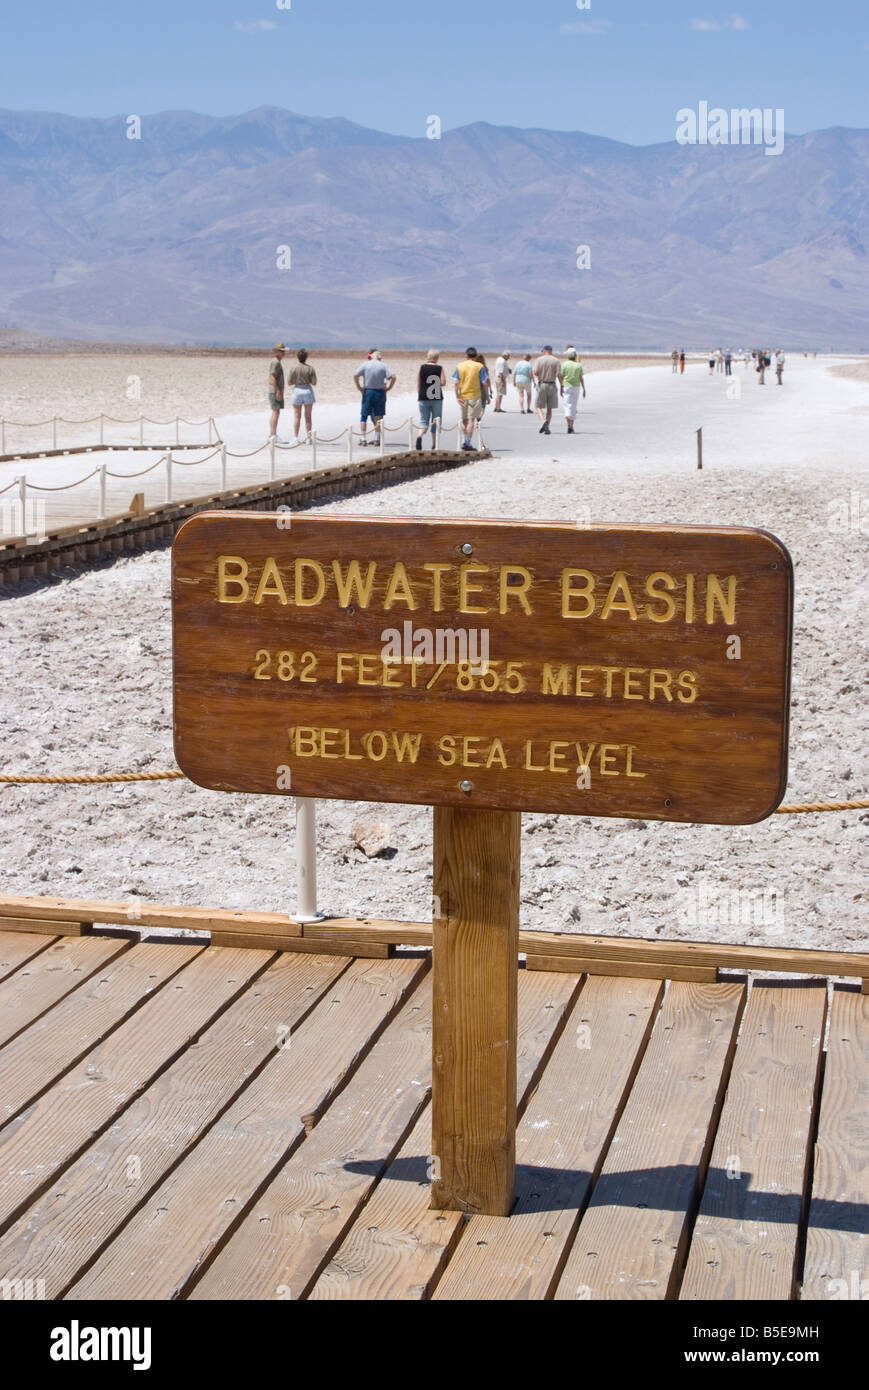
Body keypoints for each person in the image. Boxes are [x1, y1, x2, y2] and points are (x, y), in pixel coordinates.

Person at [354, 350, 396, 446]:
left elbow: (355, 375)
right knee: (378, 416)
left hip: (368, 391)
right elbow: (393, 377)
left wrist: (359, 387)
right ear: (379, 358)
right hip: (380, 392)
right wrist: (389, 388)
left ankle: (363, 438)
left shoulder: (365, 364)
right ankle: (377, 438)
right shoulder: (383, 365)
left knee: (364, 415)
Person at [453, 347, 488, 451]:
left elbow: (456, 383)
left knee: (464, 420)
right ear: (476, 356)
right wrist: (486, 395)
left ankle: (464, 441)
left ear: (466, 355)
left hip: (463, 395)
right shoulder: (479, 366)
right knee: (471, 420)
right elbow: (485, 382)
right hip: (475, 395)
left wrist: (457, 395)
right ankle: (467, 442)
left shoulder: (460, 366)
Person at [416, 349, 446, 450]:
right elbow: (443, 382)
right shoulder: (439, 368)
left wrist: (419, 393)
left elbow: (419, 382)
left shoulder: (422, 367)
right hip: (436, 397)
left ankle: (420, 436)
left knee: (423, 420)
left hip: (423, 396)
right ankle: (434, 444)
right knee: (436, 420)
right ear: (437, 358)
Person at [287, 348, 317, 443]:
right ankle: (309, 438)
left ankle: (295, 437)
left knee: (297, 416)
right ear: (306, 357)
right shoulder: (310, 368)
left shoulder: (293, 368)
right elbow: (314, 383)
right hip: (307, 390)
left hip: (297, 391)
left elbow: (289, 382)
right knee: (308, 416)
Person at [532, 346, 562, 435]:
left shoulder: (539, 360)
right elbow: (559, 374)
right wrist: (562, 385)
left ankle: (542, 420)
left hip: (542, 384)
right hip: (552, 384)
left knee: (538, 405)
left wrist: (542, 374)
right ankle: (547, 427)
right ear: (551, 351)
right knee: (549, 408)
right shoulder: (556, 360)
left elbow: (535, 372)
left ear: (545, 351)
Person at [561, 348, 586, 433]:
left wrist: (561, 386)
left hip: (566, 386)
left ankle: (569, 425)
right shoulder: (578, 365)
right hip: (576, 387)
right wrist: (584, 389)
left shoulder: (564, 364)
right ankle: (571, 426)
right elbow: (580, 377)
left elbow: (561, 376)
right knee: (574, 406)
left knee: (567, 405)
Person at [268, 342, 287, 441]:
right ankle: (273, 434)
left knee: (276, 411)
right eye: (282, 351)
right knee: (276, 412)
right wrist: (278, 391)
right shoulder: (275, 362)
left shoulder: (277, 362)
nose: (284, 353)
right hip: (275, 391)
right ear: (277, 352)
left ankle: (273, 434)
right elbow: (273, 378)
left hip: (275, 391)